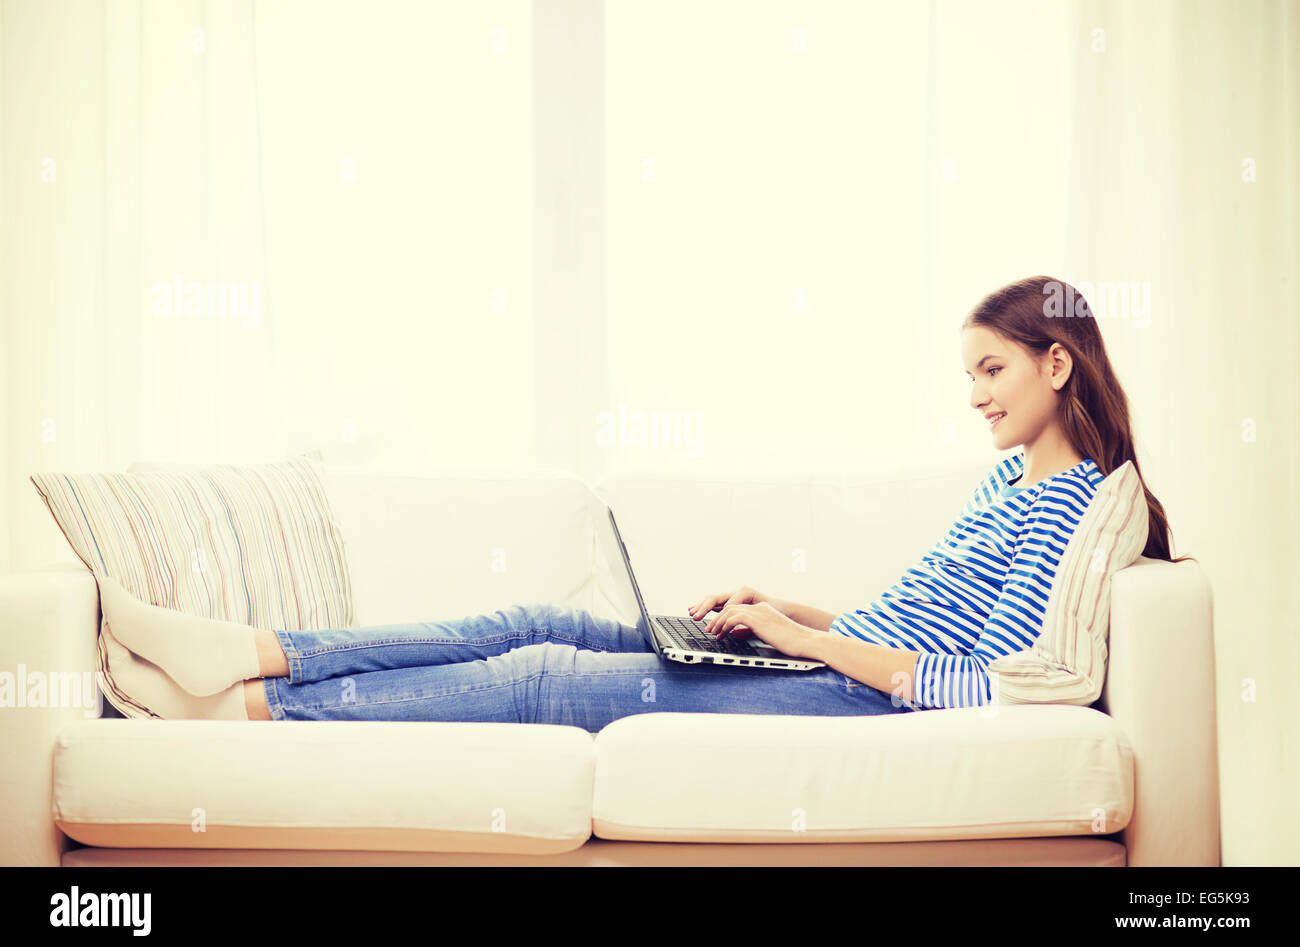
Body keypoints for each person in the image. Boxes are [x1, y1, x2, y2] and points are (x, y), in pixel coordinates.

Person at [98, 275, 1190, 726]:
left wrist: (803, 650)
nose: (974, 398)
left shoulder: (1071, 506)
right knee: (529, 618)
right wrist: (793, 611)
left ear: (1057, 364)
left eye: (990, 372)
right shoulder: (1009, 480)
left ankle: (243, 709)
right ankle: (248, 648)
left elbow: (976, 685)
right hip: (820, 656)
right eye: (968, 375)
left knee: (540, 677)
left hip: (845, 700)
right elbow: (910, 620)